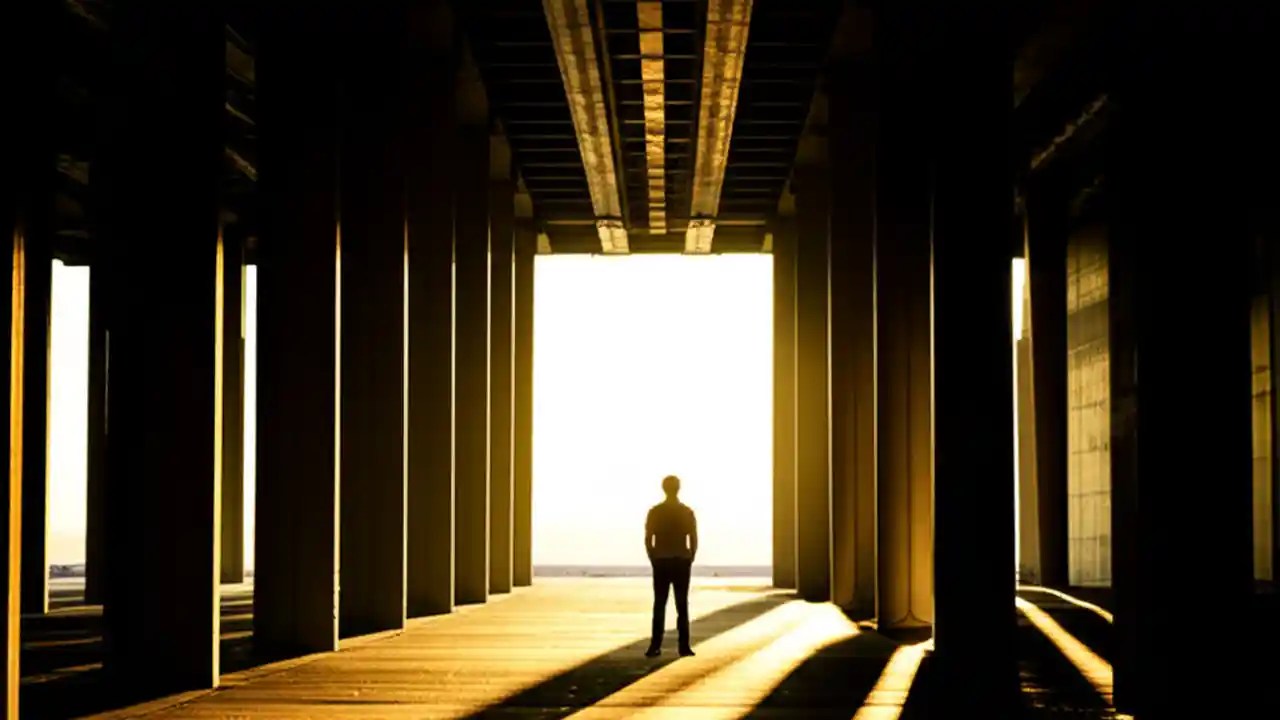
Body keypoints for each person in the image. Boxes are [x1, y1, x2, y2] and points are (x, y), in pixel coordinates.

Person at [644, 474, 698, 657]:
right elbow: (693, 537)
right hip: (681, 560)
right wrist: (690, 556)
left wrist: (653, 557)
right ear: (678, 488)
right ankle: (684, 646)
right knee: (681, 604)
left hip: (662, 560)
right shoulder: (686, 511)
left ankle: (655, 645)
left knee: (660, 603)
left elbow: (648, 537)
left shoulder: (655, 511)